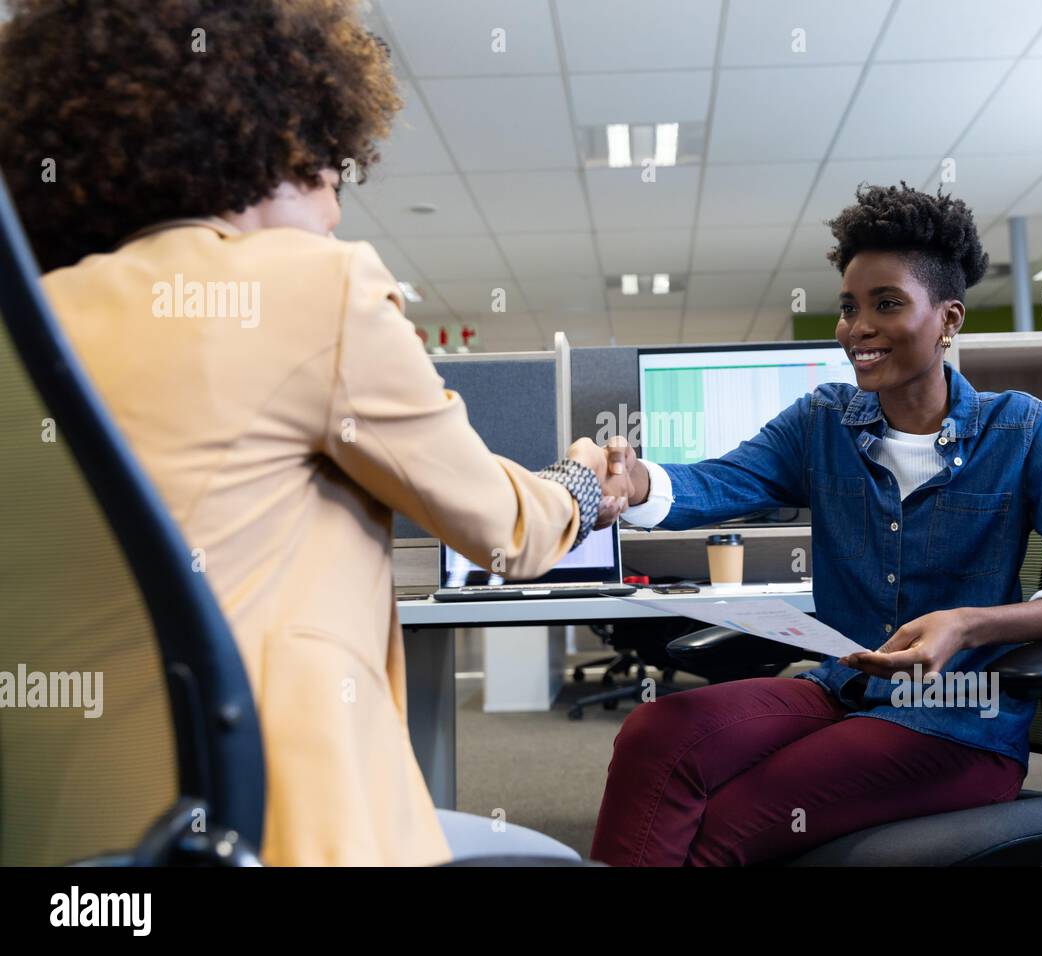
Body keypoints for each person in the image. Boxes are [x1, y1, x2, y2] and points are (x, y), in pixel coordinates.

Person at [0, 0, 626, 865]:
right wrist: (586, 478)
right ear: (267, 144)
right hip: (277, 826)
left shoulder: (29, 331)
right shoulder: (307, 287)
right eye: (330, 175)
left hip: (75, 842)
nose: (336, 213)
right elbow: (505, 532)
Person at [588, 182, 1042, 866]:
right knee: (657, 731)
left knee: (731, 822)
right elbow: (720, 481)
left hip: (960, 723)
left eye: (887, 305)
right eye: (850, 307)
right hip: (844, 690)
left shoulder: (1021, 429)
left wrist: (973, 623)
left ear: (948, 320)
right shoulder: (822, 420)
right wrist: (638, 480)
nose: (857, 328)